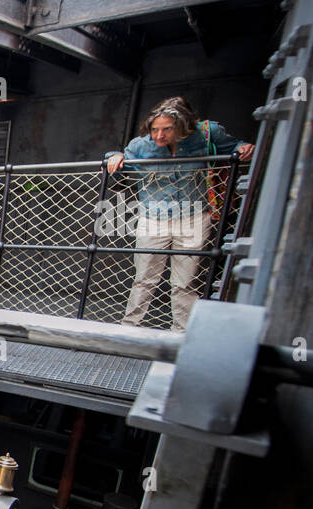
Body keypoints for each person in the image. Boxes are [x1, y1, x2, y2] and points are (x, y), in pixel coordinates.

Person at [105, 97, 254, 332]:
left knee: (184, 282)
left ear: (183, 126)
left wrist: (243, 148)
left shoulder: (206, 134)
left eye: (167, 129)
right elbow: (120, 161)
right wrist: (114, 157)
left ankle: (182, 332)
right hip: (153, 216)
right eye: (155, 129)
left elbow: (234, 146)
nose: (159, 136)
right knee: (144, 278)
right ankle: (128, 327)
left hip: (193, 215)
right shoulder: (140, 145)